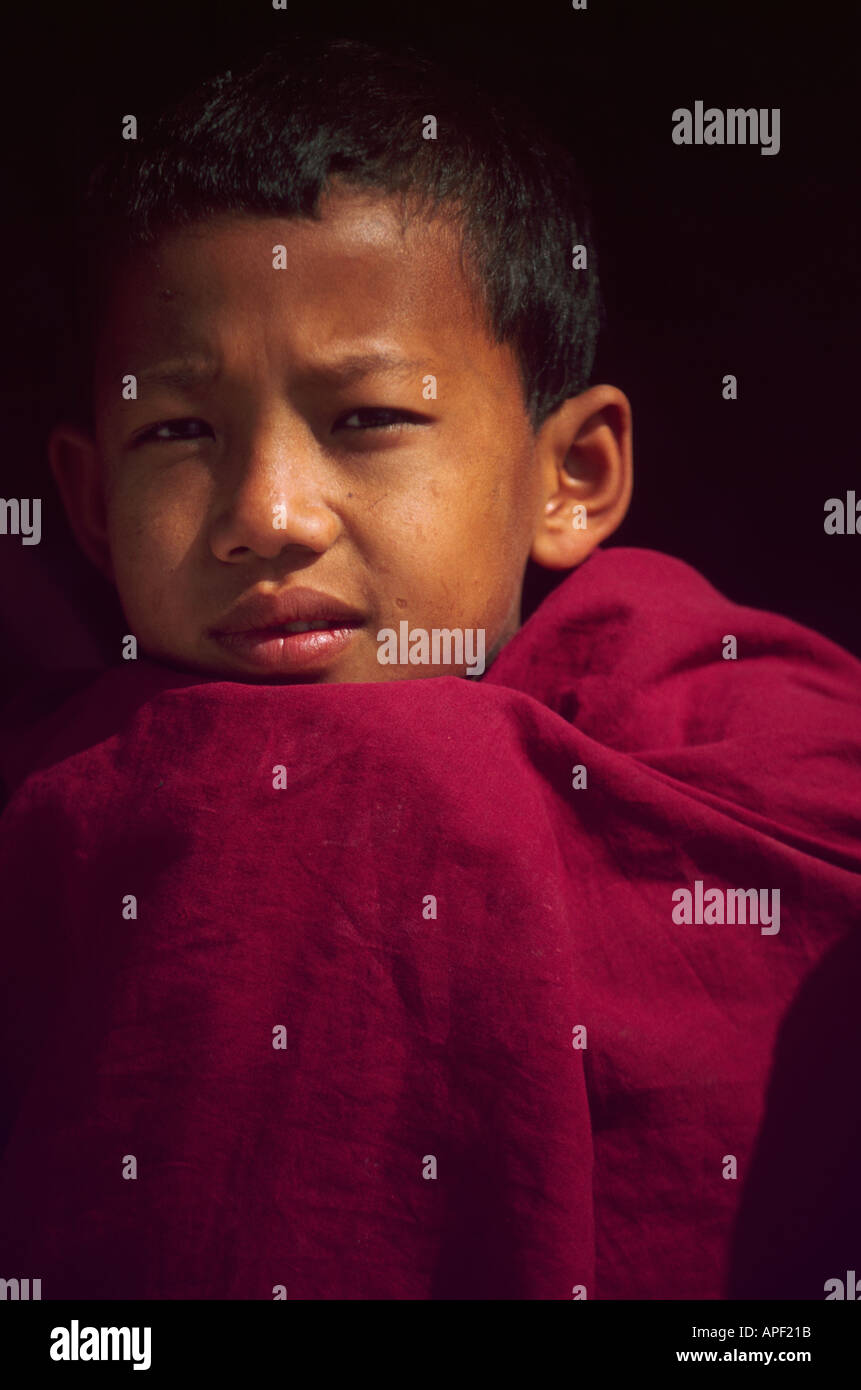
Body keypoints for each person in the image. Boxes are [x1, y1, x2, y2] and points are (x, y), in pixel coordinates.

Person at [0, 36, 858, 1301]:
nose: (268, 513)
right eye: (180, 430)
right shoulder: (56, 805)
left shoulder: (756, 753)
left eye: (369, 419)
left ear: (573, 478)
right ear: (86, 503)